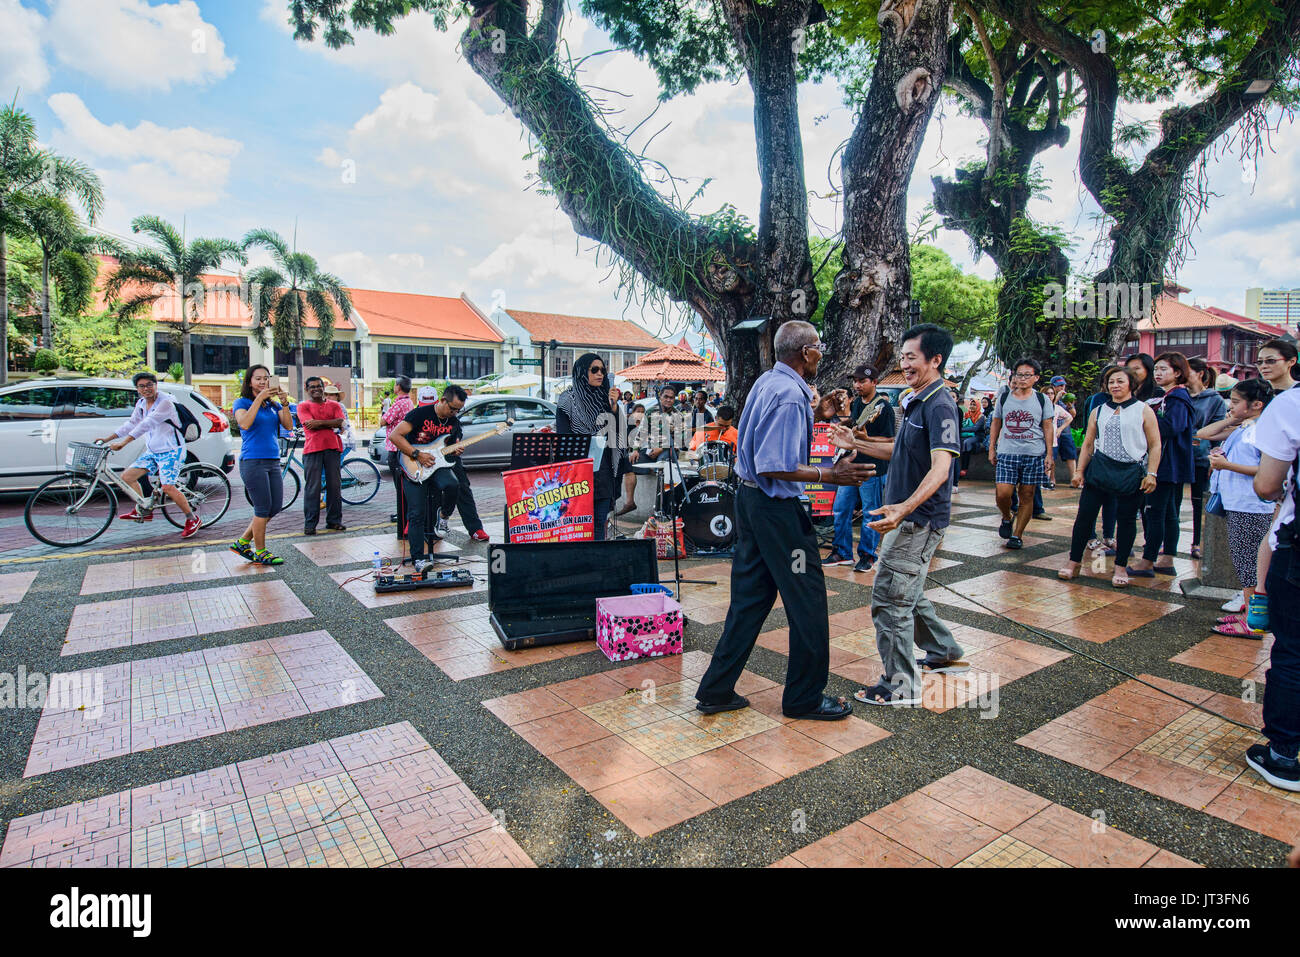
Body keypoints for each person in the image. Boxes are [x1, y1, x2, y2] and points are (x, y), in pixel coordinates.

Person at [694, 320, 874, 722]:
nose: (822, 353)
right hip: (778, 513)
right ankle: (804, 698)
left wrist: (819, 410)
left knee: (750, 600)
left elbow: (770, 437)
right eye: (819, 348)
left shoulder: (770, 382)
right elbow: (774, 465)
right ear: (806, 353)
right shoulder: (790, 395)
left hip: (751, 504)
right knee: (807, 601)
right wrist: (829, 474)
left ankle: (716, 689)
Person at [827, 323, 968, 706]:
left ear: (935, 360)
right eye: (902, 357)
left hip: (917, 520)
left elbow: (941, 469)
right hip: (903, 516)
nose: (904, 364)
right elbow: (899, 452)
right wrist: (853, 441)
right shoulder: (915, 399)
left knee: (890, 600)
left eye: (911, 357)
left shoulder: (940, 404)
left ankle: (900, 685)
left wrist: (905, 508)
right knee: (908, 591)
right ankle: (944, 650)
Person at [1059, 367, 1161, 587]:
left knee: (1125, 521)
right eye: (1111, 382)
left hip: (1130, 472)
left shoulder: (1143, 410)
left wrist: (1151, 473)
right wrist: (1079, 471)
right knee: (1084, 518)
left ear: (1131, 384)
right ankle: (1073, 562)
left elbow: (1155, 444)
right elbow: (1088, 443)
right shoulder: (1099, 410)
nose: (1115, 385)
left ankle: (1120, 566)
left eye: (1120, 381)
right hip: (1100, 468)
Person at [1247, 378, 1300, 791]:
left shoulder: (1290, 404)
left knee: (1293, 653)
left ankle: (1283, 755)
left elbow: (1266, 485)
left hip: (1297, 551)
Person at [1197, 378, 1275, 635]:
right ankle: (1249, 612)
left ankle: (1253, 622)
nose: (1230, 406)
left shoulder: (1264, 430)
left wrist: (1226, 465)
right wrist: (1234, 417)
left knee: (1250, 563)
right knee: (1244, 562)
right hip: (1237, 503)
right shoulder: (1245, 426)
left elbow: (1266, 470)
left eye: (1236, 401)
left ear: (1257, 404)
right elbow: (1204, 433)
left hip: (1251, 505)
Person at [98, 371, 201, 539]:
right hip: (153, 451)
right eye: (142, 386)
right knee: (127, 477)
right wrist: (107, 438)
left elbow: (146, 424)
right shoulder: (140, 404)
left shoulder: (166, 402)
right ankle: (144, 510)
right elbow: (131, 424)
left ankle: (192, 518)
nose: (146, 389)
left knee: (168, 487)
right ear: (137, 389)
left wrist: (123, 443)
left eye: (149, 385)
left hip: (171, 451)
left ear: (155, 385)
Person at [1244, 339, 1300, 629]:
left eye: (1271, 360)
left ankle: (1261, 598)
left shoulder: (1290, 400)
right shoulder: (1270, 396)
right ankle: (1260, 598)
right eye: (1260, 361)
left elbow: (1266, 483)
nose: (1264, 366)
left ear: (1291, 361)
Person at [1128, 352, 1195, 577]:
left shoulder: (1176, 398)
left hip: (1166, 464)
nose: (1158, 373)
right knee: (1167, 513)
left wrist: (1145, 417)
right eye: (1156, 369)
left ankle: (1148, 561)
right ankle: (1166, 560)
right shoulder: (1169, 396)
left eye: (1164, 369)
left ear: (1177, 373)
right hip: (1170, 464)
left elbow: (1171, 428)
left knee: (1155, 512)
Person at [388, 385, 467, 572]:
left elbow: (448, 450)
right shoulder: (419, 414)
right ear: (442, 400)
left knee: (453, 485)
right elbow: (395, 436)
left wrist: (455, 450)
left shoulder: (454, 423)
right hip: (413, 464)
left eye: (458, 410)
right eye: (452, 408)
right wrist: (417, 454)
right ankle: (418, 560)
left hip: (436, 465)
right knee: (416, 514)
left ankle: (443, 517)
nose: (454, 413)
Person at [825, 365, 894, 573]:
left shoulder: (883, 407)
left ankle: (868, 555)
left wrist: (866, 439)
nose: (857, 385)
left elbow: (890, 439)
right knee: (840, 508)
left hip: (872, 467)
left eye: (862, 381)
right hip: (851, 465)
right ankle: (842, 552)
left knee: (871, 513)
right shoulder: (857, 404)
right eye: (855, 381)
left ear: (874, 382)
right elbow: (854, 427)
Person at [230, 365, 294, 565]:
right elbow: (245, 424)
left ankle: (242, 542)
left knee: (274, 507)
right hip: (253, 461)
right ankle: (260, 551)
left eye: (266, 378)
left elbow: (289, 426)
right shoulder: (241, 402)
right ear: (250, 381)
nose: (263, 382)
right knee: (262, 507)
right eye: (258, 378)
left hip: (272, 460)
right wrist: (259, 398)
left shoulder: (272, 405)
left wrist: (284, 403)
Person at [555, 352, 622, 541]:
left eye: (602, 370)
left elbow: (618, 433)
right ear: (582, 372)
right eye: (594, 370)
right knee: (579, 521)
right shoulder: (568, 399)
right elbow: (564, 436)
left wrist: (615, 408)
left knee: (600, 520)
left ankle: (598, 561)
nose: (600, 374)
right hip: (578, 470)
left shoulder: (606, 398)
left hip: (603, 470)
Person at [990, 358, 1055, 549]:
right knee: (1003, 494)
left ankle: (1017, 535)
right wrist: (992, 447)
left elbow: (1048, 427)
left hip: (1033, 454)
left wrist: (1049, 454)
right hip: (1007, 452)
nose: (1022, 378)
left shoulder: (1042, 400)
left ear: (1036, 377)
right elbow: (996, 422)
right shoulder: (1004, 397)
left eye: (1027, 375)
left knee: (1027, 494)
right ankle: (1007, 516)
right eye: (1019, 374)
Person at [1186, 357, 1227, 559]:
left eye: (1186, 371)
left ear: (1200, 373)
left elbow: (1218, 431)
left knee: (1198, 501)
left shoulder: (1215, 399)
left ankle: (1197, 542)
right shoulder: (1178, 394)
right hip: (1177, 455)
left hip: (1200, 456)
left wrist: (1214, 456)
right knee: (1170, 502)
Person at [298, 376, 347, 536]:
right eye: (312, 387)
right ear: (307, 389)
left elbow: (341, 422)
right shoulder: (303, 406)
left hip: (333, 448)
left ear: (323, 388)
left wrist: (319, 423)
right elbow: (309, 425)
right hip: (312, 450)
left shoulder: (335, 405)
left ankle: (334, 521)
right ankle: (310, 524)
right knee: (313, 488)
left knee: (334, 486)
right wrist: (331, 422)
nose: (316, 389)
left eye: (318, 386)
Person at [381, 376, 414, 539]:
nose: (394, 386)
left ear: (399, 386)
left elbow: (383, 421)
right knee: (404, 486)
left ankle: (404, 518)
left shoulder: (399, 403)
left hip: (395, 448)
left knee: (400, 486)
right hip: (404, 447)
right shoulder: (409, 402)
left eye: (395, 384)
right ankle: (403, 516)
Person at [615, 403, 648, 516]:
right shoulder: (628, 427)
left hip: (644, 453)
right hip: (632, 452)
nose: (640, 414)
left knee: (628, 464)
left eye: (642, 411)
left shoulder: (646, 426)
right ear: (632, 414)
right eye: (638, 411)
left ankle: (629, 502)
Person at [957, 397, 989, 478]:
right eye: (971, 404)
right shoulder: (967, 414)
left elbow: (975, 428)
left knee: (967, 443)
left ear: (978, 406)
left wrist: (960, 430)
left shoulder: (980, 417)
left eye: (974, 405)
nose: (972, 406)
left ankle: (964, 468)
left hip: (978, 435)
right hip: (967, 434)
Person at [645, 386, 678, 462]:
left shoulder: (678, 416)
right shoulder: (650, 412)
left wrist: (661, 449)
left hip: (669, 450)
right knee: (632, 461)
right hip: (650, 449)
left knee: (662, 464)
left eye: (671, 398)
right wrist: (635, 450)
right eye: (666, 397)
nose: (668, 400)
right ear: (660, 397)